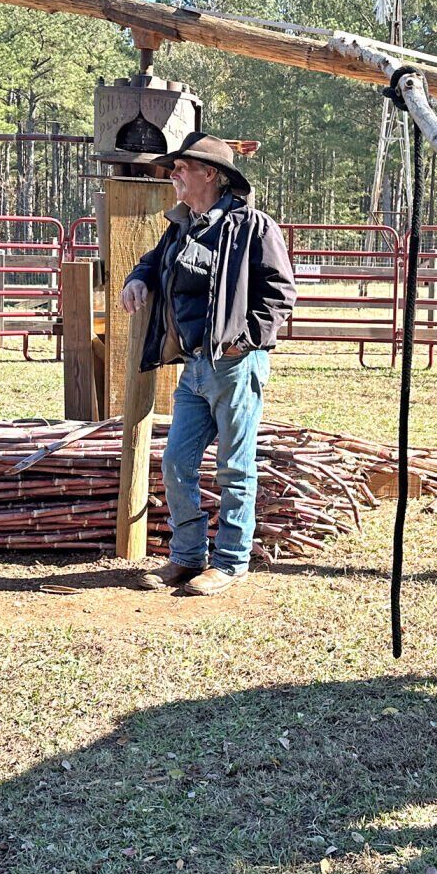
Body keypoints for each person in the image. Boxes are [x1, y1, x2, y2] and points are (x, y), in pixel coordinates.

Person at [119, 133, 297, 597]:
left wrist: (245, 341)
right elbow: (152, 262)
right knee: (176, 459)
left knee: (234, 466)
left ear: (210, 174)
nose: (173, 174)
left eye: (182, 167)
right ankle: (187, 557)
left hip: (235, 364)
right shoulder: (181, 226)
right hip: (194, 366)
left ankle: (231, 561)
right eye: (174, 166)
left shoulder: (253, 226)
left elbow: (280, 294)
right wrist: (137, 279)